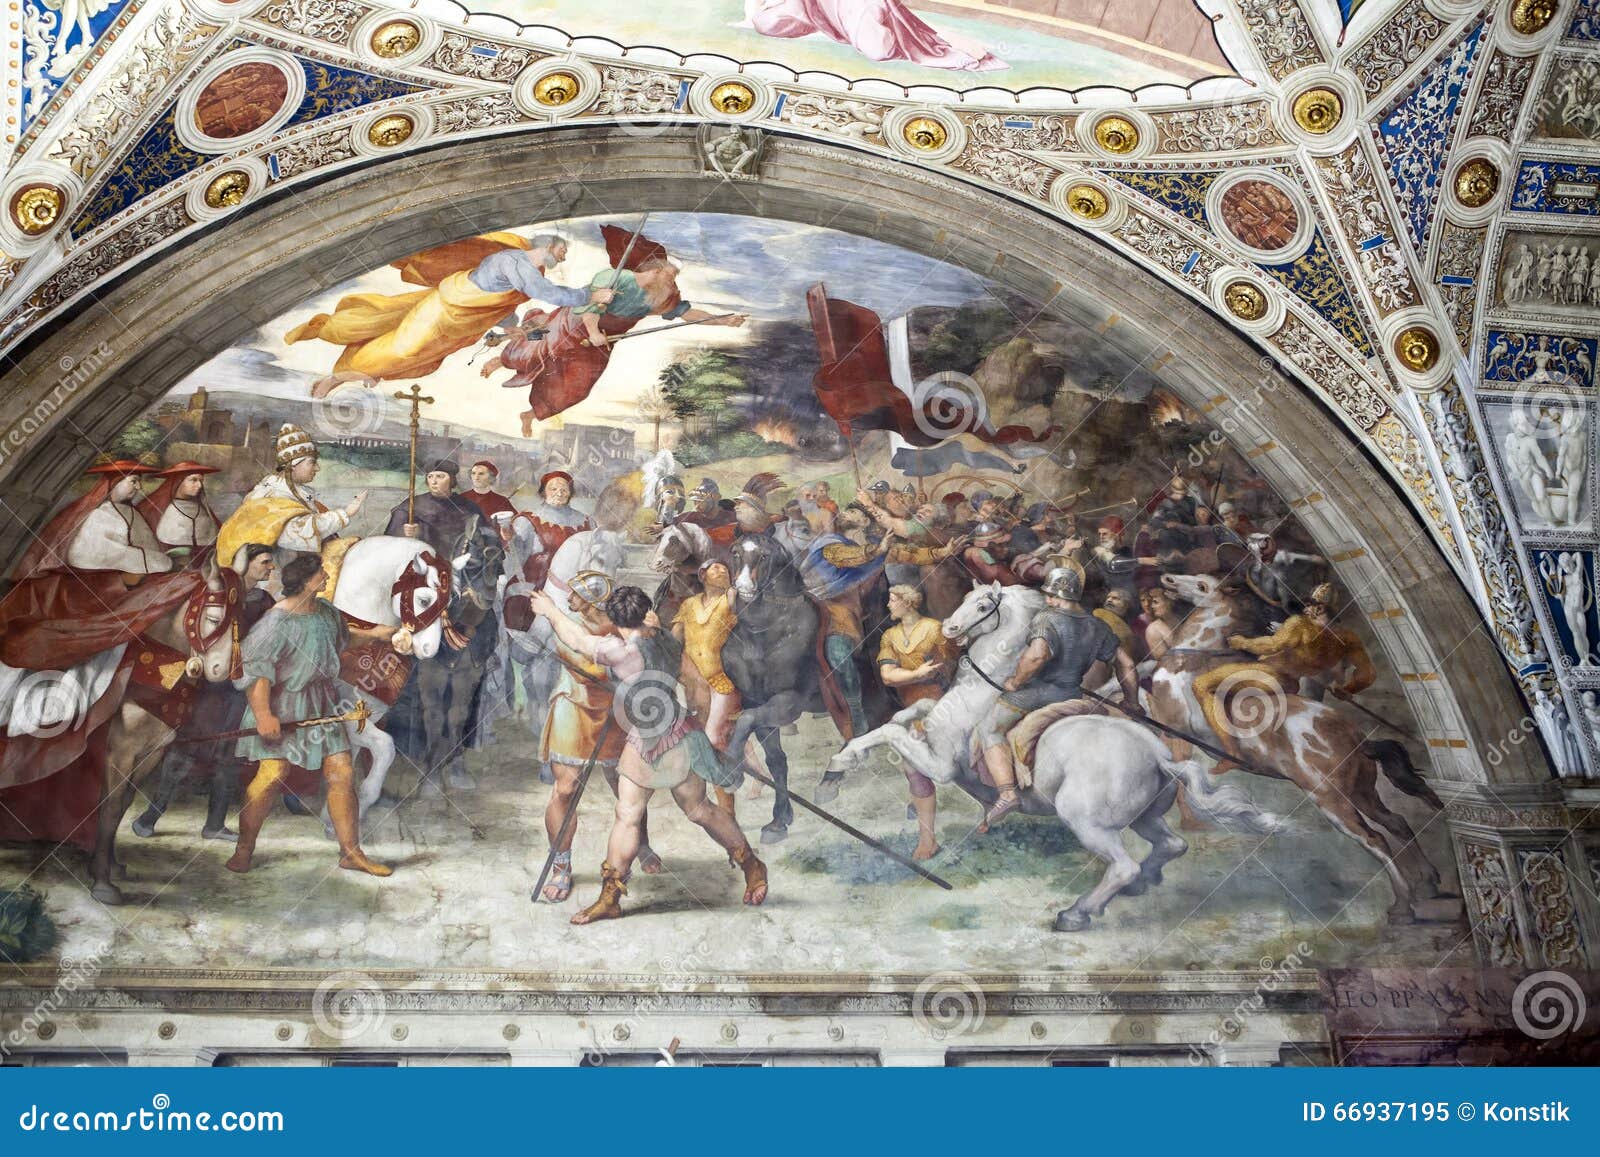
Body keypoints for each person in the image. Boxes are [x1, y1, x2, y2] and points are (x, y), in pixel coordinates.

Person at [527, 584, 767, 925]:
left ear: (615, 620)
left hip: (658, 740)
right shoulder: (664, 639)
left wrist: (550, 611)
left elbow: (578, 639)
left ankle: (751, 865)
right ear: (645, 613)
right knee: (668, 811)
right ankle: (612, 897)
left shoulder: (621, 652)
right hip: (671, 734)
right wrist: (702, 726)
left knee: (672, 812)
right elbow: (693, 682)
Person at [226, 555, 401, 877]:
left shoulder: (325, 612)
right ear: (307, 582)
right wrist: (263, 715)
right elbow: (256, 673)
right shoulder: (276, 623)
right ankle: (243, 849)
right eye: (321, 572)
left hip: (322, 703)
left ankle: (351, 852)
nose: (326, 575)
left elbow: (341, 638)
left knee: (342, 773)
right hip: (281, 705)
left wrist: (376, 634)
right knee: (271, 776)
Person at [286, 232, 608, 397]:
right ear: (549, 245)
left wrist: (511, 327)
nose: (563, 257)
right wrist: (590, 295)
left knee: (421, 360)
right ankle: (337, 376)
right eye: (562, 251)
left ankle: (353, 376)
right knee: (403, 349)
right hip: (445, 311)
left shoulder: (528, 272)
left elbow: (501, 305)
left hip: (463, 326)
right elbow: (548, 293)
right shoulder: (515, 261)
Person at [975, 566, 1140, 829]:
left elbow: (1037, 656)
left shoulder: (1047, 618)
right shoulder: (1098, 626)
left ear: (1054, 595)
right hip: (1071, 695)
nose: (1047, 599)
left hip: (1036, 695)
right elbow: (1127, 664)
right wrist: (1132, 701)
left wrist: (1015, 681)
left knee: (989, 728)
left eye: (1048, 594)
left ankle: (1006, 794)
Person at [132, 544, 277, 840]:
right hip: (207, 686)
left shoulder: (264, 602)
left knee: (228, 755)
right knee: (186, 748)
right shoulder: (219, 595)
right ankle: (151, 815)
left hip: (239, 688)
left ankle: (214, 824)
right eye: (264, 562)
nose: (270, 567)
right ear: (247, 564)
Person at [535, 570, 656, 902]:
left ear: (591, 600)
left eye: (575, 593)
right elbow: (571, 655)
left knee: (627, 787)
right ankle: (561, 865)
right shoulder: (566, 624)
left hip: (616, 712)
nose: (569, 598)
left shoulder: (623, 629)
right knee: (565, 789)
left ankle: (641, 844)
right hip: (575, 707)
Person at [1194, 583, 1374, 764]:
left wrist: (1242, 642)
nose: (1306, 609)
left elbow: (1272, 645)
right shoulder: (1349, 638)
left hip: (1270, 675)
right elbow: (1367, 675)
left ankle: (1232, 753)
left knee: (1201, 685)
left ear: (1320, 608)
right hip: (1291, 685)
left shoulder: (1301, 624)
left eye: (1310, 605)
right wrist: (1348, 689)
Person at [216, 424, 366, 566]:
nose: (317, 468)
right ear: (293, 465)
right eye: (312, 462)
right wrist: (345, 514)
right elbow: (295, 534)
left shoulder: (296, 491)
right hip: (279, 571)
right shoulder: (272, 496)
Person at [877, 585, 950, 860]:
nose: (888, 605)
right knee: (913, 770)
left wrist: (911, 674)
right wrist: (917, 674)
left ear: (907, 603)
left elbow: (946, 666)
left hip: (942, 704)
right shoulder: (890, 636)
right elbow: (887, 676)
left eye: (892, 600)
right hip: (911, 709)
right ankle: (928, 840)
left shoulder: (934, 628)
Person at [671, 560, 741, 762]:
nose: (722, 571)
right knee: (695, 729)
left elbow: (737, 604)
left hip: (717, 678)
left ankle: (725, 769)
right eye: (716, 568)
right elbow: (675, 637)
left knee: (716, 735)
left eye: (726, 569)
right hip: (689, 679)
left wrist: (732, 590)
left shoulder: (729, 599)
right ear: (702, 575)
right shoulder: (689, 604)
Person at [504, 470, 593, 629]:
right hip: (535, 582)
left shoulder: (587, 521)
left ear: (570, 493)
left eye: (564, 489)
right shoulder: (528, 519)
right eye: (553, 489)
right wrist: (510, 538)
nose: (559, 493)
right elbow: (516, 556)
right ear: (543, 492)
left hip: (575, 587)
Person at [384, 458, 481, 558]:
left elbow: (481, 534)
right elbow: (390, 537)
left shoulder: (467, 505)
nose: (433, 482)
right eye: (430, 477)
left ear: (452, 480)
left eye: (440, 477)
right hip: (422, 559)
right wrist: (404, 532)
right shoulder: (412, 504)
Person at [139, 461, 221, 562]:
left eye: (201, 481)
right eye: (194, 480)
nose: (199, 485)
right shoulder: (155, 508)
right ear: (179, 481)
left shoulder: (203, 509)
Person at [463, 460, 516, 525]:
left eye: (481, 474)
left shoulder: (502, 500)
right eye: (473, 473)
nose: (476, 477)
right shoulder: (462, 498)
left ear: (491, 477)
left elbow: (515, 522)